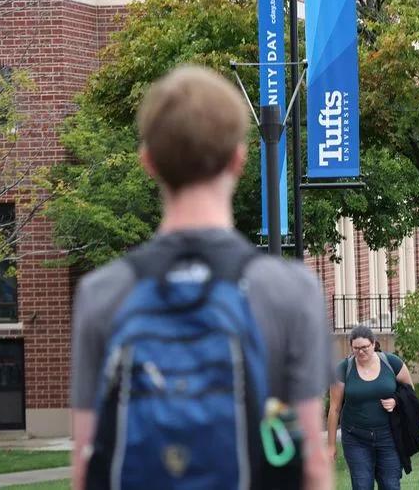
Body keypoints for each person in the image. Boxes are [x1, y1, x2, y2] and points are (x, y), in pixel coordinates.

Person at [70, 66, 333, 490]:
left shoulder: (102, 292)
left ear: (149, 162)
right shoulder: (290, 289)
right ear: (238, 159)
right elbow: (311, 467)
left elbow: (86, 465)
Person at [327, 326, 413, 490]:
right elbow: (334, 408)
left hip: (389, 436)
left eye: (364, 347)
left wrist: (395, 400)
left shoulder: (392, 363)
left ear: (373, 344)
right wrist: (330, 445)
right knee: (362, 485)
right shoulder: (344, 368)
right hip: (355, 437)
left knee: (390, 485)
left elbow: (410, 394)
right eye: (356, 348)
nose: (360, 352)